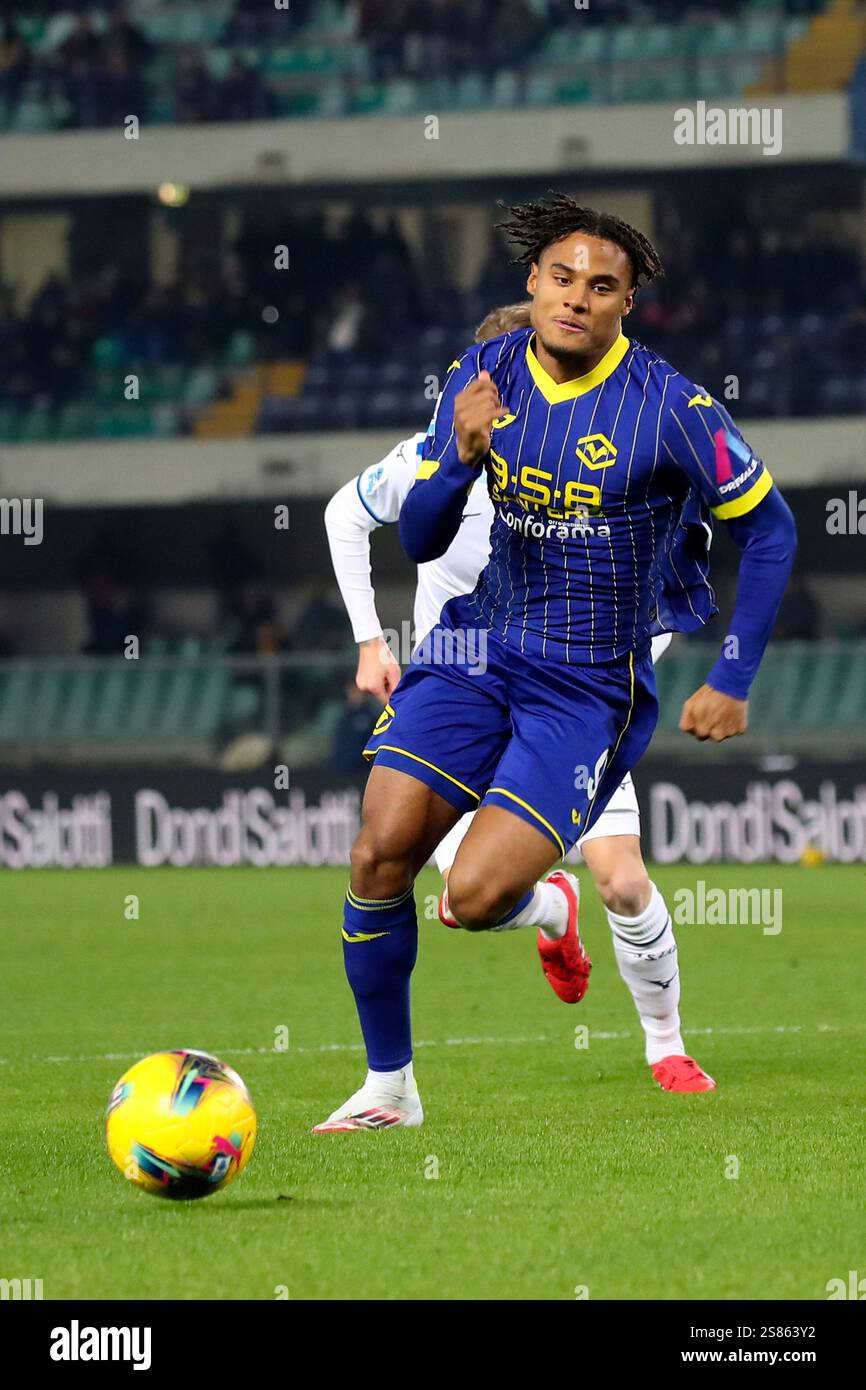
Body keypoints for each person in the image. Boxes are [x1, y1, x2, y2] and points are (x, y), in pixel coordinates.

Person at [315, 196, 796, 1132]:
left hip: (584, 683)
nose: (577, 298)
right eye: (562, 277)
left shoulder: (674, 410)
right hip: (472, 647)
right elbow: (418, 538)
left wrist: (733, 676)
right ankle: (390, 1090)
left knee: (476, 894)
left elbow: (771, 531)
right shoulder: (484, 369)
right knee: (377, 855)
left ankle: (660, 1033)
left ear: (627, 303)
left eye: (601, 286)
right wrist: (457, 461)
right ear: (532, 283)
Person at [324, 299, 710, 1100]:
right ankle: (547, 914)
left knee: (625, 881)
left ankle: (666, 1045)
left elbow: (657, 596)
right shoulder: (432, 458)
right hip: (463, 693)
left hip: (570, 698)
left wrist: (622, 669)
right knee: (460, 897)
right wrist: (369, 637)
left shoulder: (601, 476)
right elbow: (343, 513)